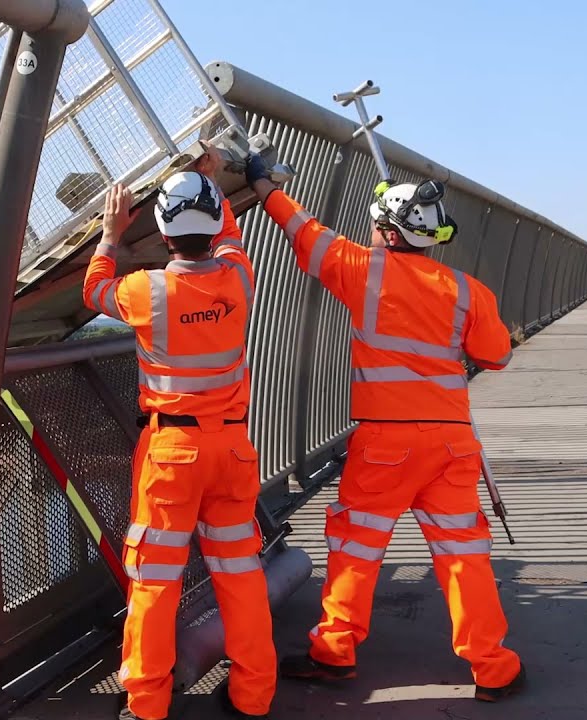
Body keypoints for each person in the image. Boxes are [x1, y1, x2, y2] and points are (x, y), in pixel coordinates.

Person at [243, 153, 526, 702]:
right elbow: (497, 357)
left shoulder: (361, 268)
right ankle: (493, 668)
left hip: (385, 444)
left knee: (357, 546)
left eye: (375, 225)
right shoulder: (468, 290)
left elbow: (304, 231)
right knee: (463, 556)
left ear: (389, 232)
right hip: (451, 444)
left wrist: (262, 184)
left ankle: (335, 653)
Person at [84, 155, 276, 720]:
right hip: (233, 450)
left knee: (156, 580)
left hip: (172, 455)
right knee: (240, 574)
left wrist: (110, 233)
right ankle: (254, 695)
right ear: (214, 223)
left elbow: (94, 289)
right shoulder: (238, 278)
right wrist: (211, 179)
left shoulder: (144, 291)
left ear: (163, 231)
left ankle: (148, 703)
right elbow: (231, 237)